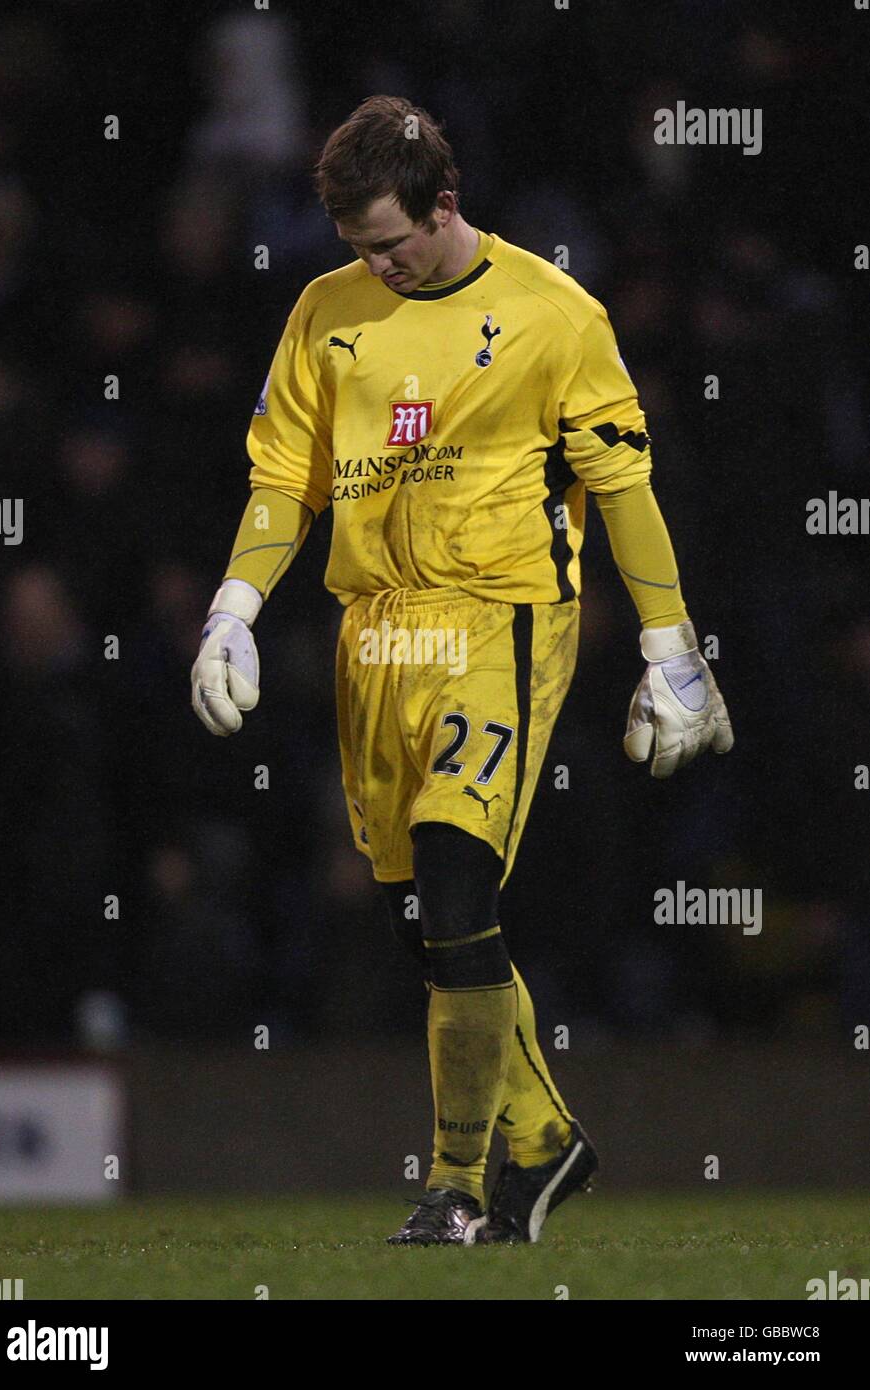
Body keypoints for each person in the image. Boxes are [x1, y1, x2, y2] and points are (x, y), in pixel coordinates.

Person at [190, 96, 733, 1245]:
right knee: (417, 920)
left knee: (453, 877)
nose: (377, 266)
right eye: (357, 248)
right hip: (375, 633)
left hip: (500, 618)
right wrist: (233, 610)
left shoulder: (551, 312)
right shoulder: (323, 311)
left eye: (390, 242)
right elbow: (284, 479)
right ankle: (543, 1136)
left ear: (444, 203)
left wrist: (669, 644)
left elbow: (623, 483)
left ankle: (457, 1186)